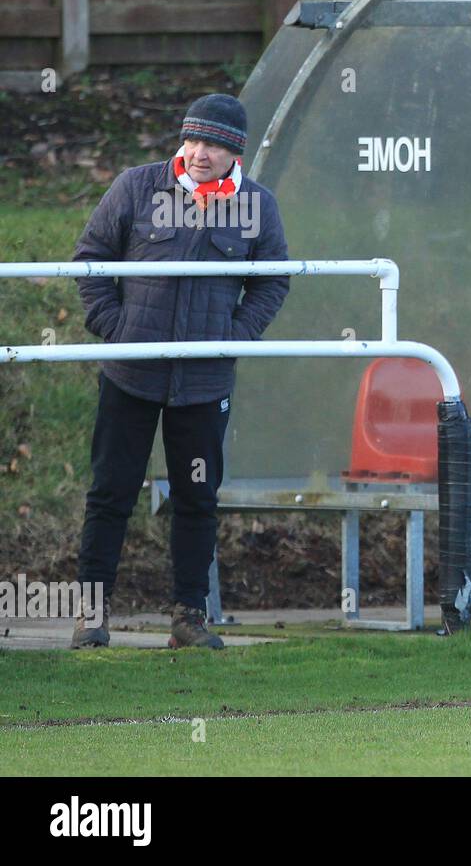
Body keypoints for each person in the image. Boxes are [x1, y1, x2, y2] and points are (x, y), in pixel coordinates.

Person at [70, 93, 290, 650]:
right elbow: (90, 259)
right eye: (193, 139)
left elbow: (273, 281)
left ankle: (189, 618)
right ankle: (90, 618)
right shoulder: (135, 186)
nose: (199, 153)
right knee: (110, 493)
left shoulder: (257, 206)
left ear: (234, 152)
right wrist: (115, 328)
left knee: (196, 498)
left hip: (202, 385)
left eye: (214, 144)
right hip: (130, 375)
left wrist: (233, 339)